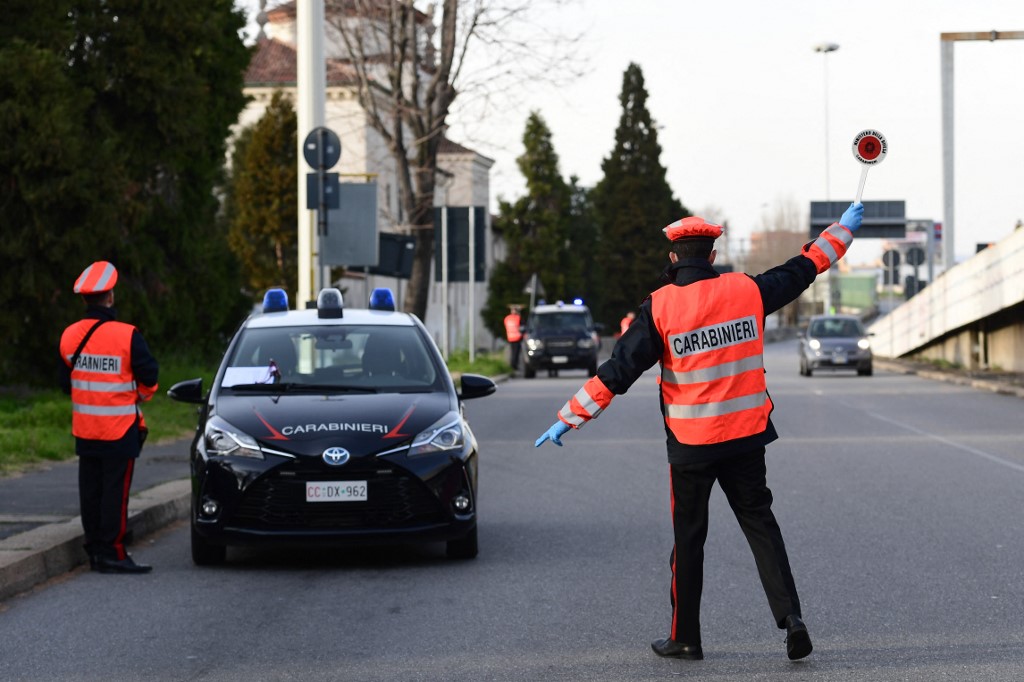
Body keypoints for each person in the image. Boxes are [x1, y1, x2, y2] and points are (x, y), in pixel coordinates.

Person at [535, 203, 864, 661]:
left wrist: (570, 416)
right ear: (712, 256)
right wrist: (841, 233)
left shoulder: (660, 307)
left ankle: (685, 638)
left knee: (689, 540)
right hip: (746, 437)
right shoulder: (746, 290)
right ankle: (791, 619)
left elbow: (618, 371)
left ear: (674, 258)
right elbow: (801, 270)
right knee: (761, 526)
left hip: (691, 446)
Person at [59, 261, 159, 574]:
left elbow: (65, 383)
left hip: (85, 429)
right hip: (119, 429)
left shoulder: (69, 336)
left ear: (84, 299)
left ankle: (95, 552)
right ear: (111, 296)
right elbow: (150, 377)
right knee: (115, 494)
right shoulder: (127, 335)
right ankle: (114, 553)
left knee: (91, 492)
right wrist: (137, 396)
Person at [503, 304, 523, 371]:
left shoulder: (507, 318)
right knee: (516, 353)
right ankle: (514, 366)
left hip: (510, 337)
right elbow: (522, 326)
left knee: (512, 353)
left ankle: (512, 366)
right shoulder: (518, 318)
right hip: (517, 337)